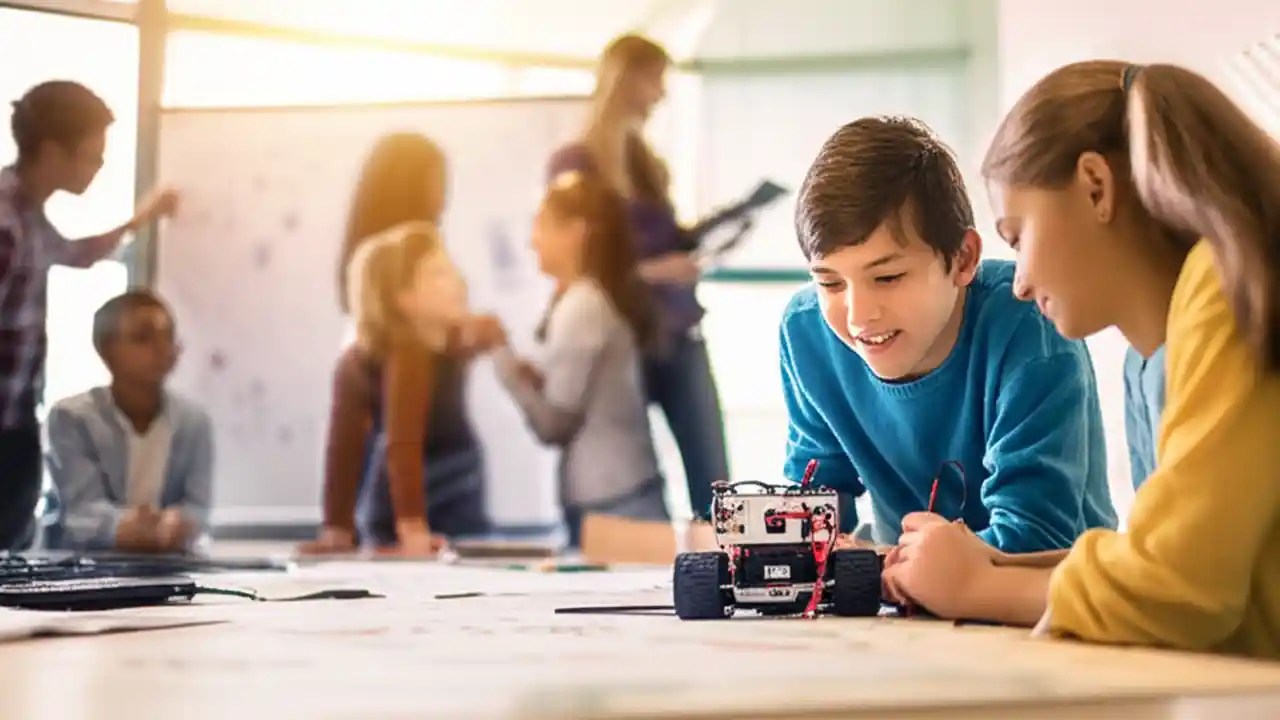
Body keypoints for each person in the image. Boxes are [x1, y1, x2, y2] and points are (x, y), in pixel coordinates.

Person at [882, 61, 1280, 660]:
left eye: (1018, 238)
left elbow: (1178, 590)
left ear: (1096, 186)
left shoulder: (1223, 288)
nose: (1018, 282)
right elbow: (1169, 559)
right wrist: (998, 561)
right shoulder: (1147, 362)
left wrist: (981, 586)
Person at [780, 115, 1116, 551]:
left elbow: (1034, 538)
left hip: (1046, 601)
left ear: (962, 259)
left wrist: (873, 565)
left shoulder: (1030, 323)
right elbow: (815, 501)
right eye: (830, 283)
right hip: (902, 604)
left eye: (888, 278)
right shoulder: (806, 330)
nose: (859, 315)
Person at [547, 34, 729, 522]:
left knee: (714, 483)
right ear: (624, 79)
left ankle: (721, 574)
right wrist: (654, 271)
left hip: (676, 331)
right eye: (654, 80)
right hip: (620, 342)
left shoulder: (647, 166)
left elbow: (660, 238)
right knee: (626, 476)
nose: (660, 95)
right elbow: (576, 260)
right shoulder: (577, 165)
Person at [301, 133, 501, 556]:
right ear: (402, 296)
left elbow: (347, 443)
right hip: (434, 484)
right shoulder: (400, 349)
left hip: (439, 474)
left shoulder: (377, 345)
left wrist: (337, 527)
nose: (459, 283)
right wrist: (411, 528)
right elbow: (394, 442)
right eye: (439, 276)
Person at [0, 80, 177, 550]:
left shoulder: (29, 213)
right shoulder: (5, 220)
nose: (98, 168)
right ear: (55, 151)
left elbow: (75, 253)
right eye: (92, 157)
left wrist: (142, 218)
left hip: (14, 420)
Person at [493, 171, 666, 549]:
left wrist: (501, 357)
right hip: (617, 498)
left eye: (540, 226)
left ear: (575, 231)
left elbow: (554, 424)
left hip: (616, 506)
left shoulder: (583, 306)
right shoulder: (587, 300)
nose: (531, 241)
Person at [43, 291, 212, 552]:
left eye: (168, 336)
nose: (161, 349)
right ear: (105, 348)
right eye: (142, 338)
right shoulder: (72, 418)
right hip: (85, 568)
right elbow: (79, 512)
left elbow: (198, 506)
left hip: (170, 566)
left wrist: (178, 523)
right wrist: (129, 526)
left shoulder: (194, 421)